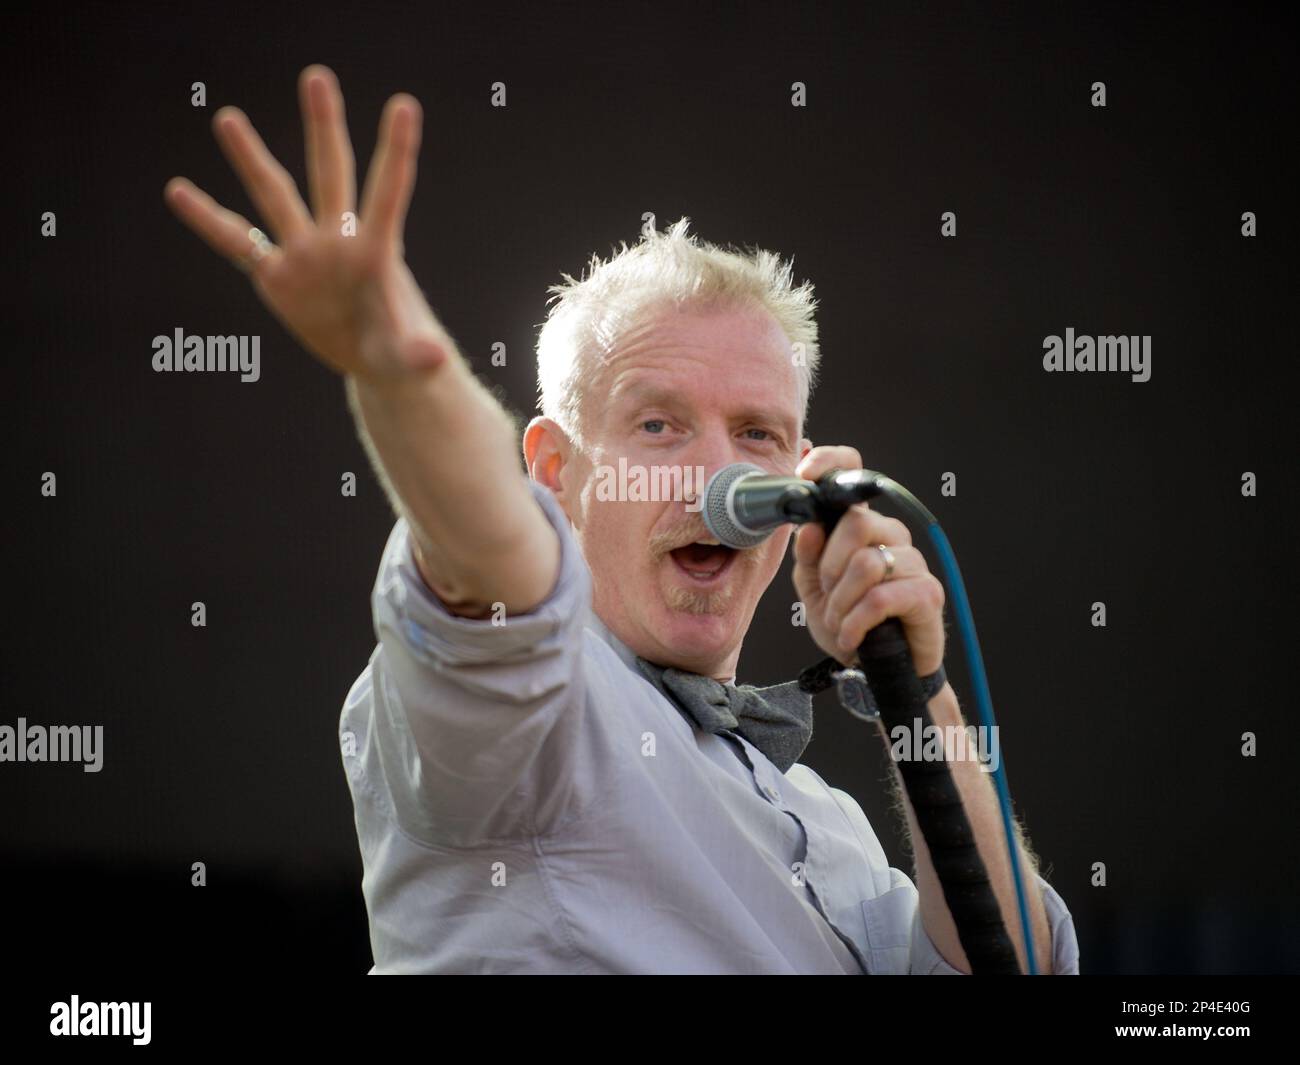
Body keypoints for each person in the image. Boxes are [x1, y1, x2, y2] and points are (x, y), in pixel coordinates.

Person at [165, 63, 1080, 975]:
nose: (720, 473)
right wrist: (405, 377)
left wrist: (917, 691)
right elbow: (490, 557)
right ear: (555, 473)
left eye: (757, 432)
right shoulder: (539, 710)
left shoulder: (827, 819)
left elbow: (1018, 965)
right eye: (659, 424)